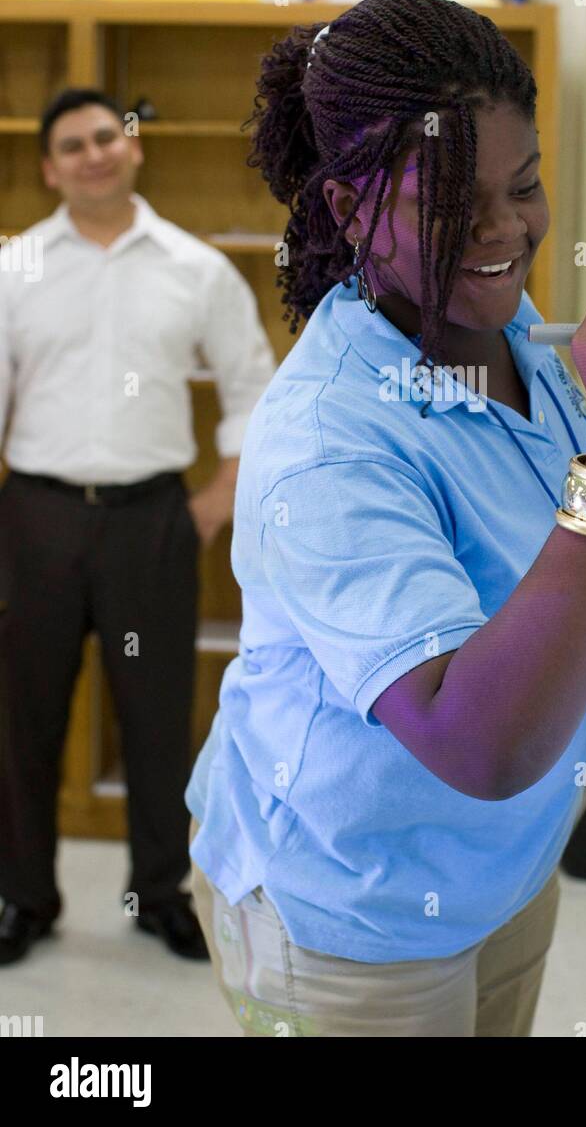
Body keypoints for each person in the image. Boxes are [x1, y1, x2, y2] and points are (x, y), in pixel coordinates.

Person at [185, 0, 586, 1037]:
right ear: (344, 208)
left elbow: (530, 520)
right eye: (455, 207)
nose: (505, 232)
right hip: (353, 912)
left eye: (523, 187)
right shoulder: (326, 442)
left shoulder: (509, 341)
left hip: (497, 871)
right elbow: (477, 740)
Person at [0, 88, 276, 965]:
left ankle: (160, 894)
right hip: (33, 519)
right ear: (49, 169)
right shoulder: (16, 269)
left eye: (106, 138)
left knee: (158, 720)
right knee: (19, 724)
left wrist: (211, 504)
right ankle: (23, 900)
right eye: (72, 145)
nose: (94, 154)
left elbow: (253, 392)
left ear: (133, 149)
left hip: (153, 524)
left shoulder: (195, 268)